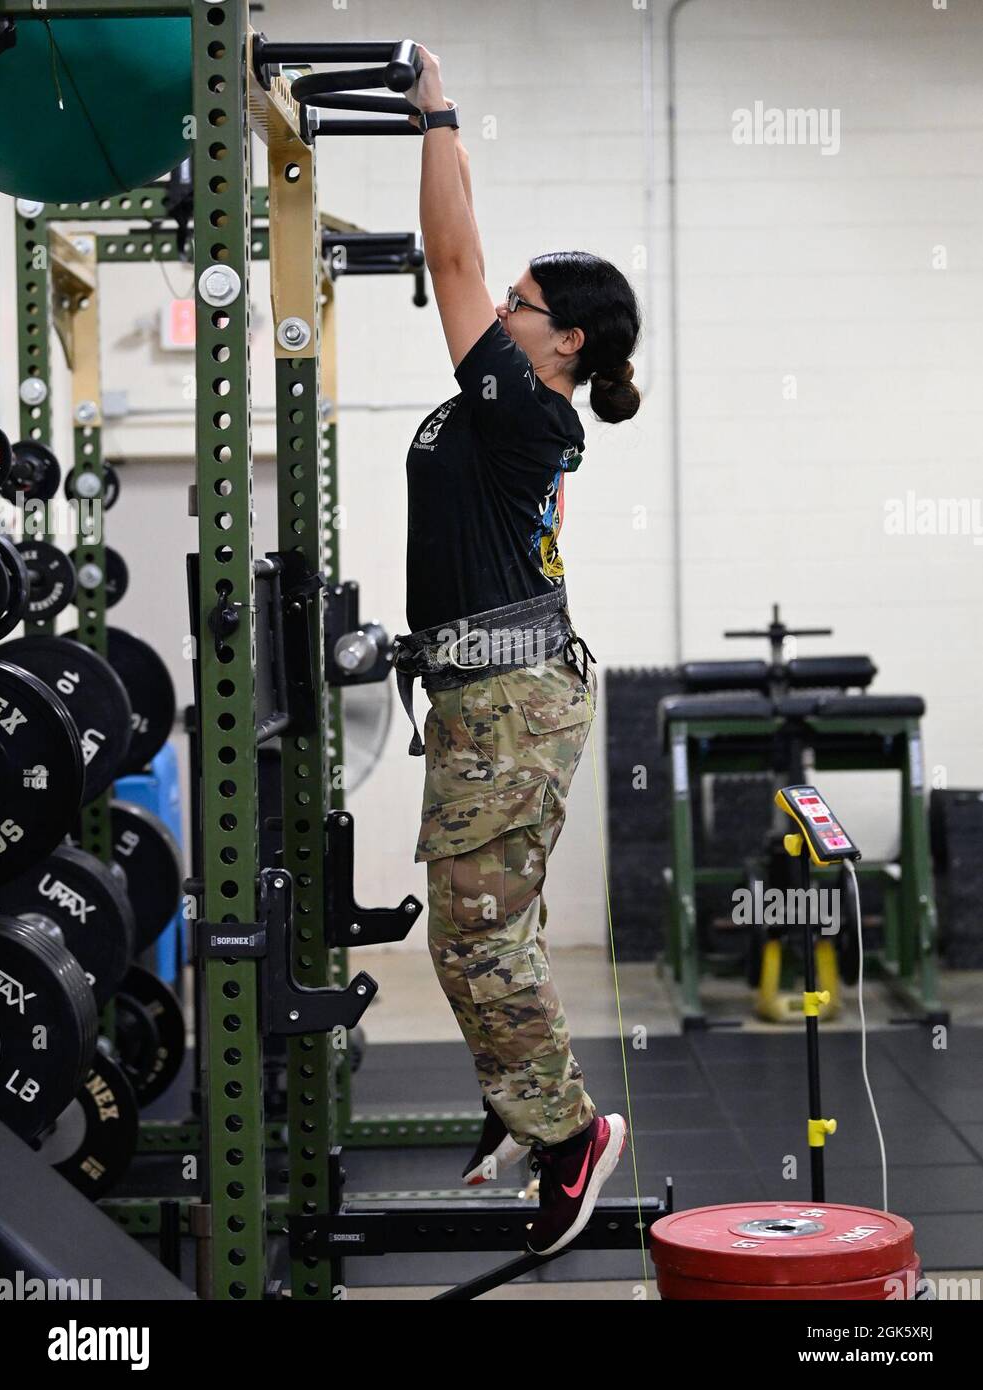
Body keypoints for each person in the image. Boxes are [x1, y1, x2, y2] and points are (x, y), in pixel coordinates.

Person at [392, 45, 642, 1258]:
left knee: (474, 934)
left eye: (523, 306)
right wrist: (445, 134)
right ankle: (520, 1097)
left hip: (504, 697)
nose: (498, 309)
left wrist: (434, 108)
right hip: (497, 687)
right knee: (499, 926)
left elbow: (452, 257)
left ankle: (569, 1135)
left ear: (570, 344)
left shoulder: (528, 404)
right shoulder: (522, 414)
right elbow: (472, 248)